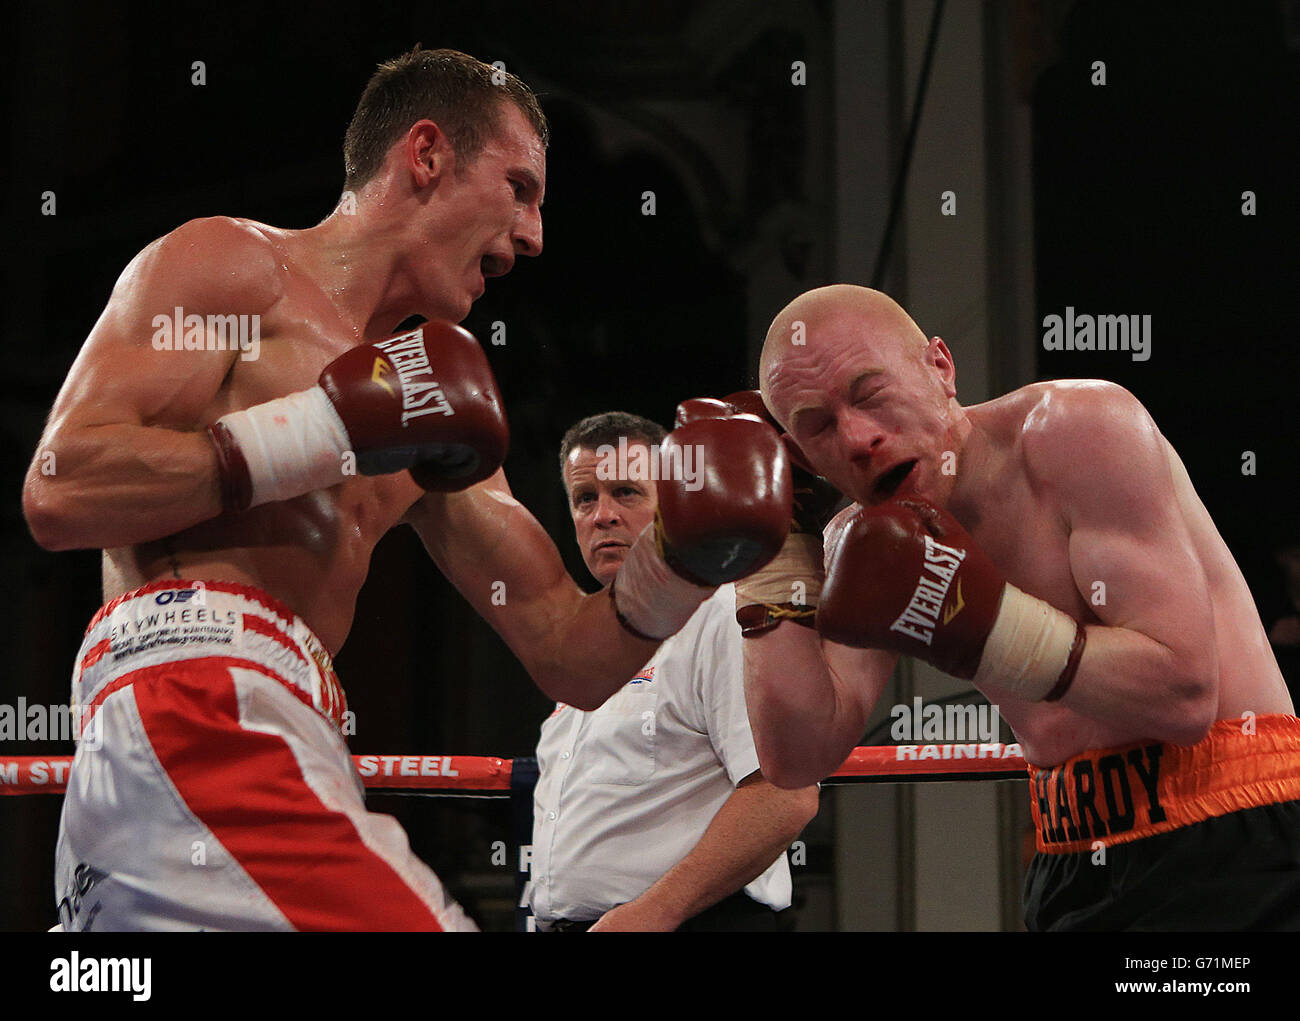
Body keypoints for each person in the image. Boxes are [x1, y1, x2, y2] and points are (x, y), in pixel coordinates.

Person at [22, 47, 788, 932]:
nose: (536, 235)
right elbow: (60, 487)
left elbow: (566, 651)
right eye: (521, 188)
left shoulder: (434, 410)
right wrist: (328, 430)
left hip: (270, 731)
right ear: (426, 155)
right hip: (196, 704)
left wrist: (683, 556)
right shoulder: (232, 267)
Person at [737, 283, 1300, 931]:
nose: (859, 437)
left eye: (870, 394)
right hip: (1069, 858)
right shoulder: (856, 543)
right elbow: (797, 757)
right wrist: (767, 559)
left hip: (1238, 830)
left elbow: (1184, 694)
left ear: (940, 367)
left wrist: (990, 631)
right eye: (818, 426)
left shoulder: (1078, 430)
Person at [529, 412, 819, 932]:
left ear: (675, 502)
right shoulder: (586, 641)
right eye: (585, 499)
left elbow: (784, 794)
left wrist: (653, 914)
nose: (603, 516)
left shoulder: (723, 615)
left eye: (626, 492)